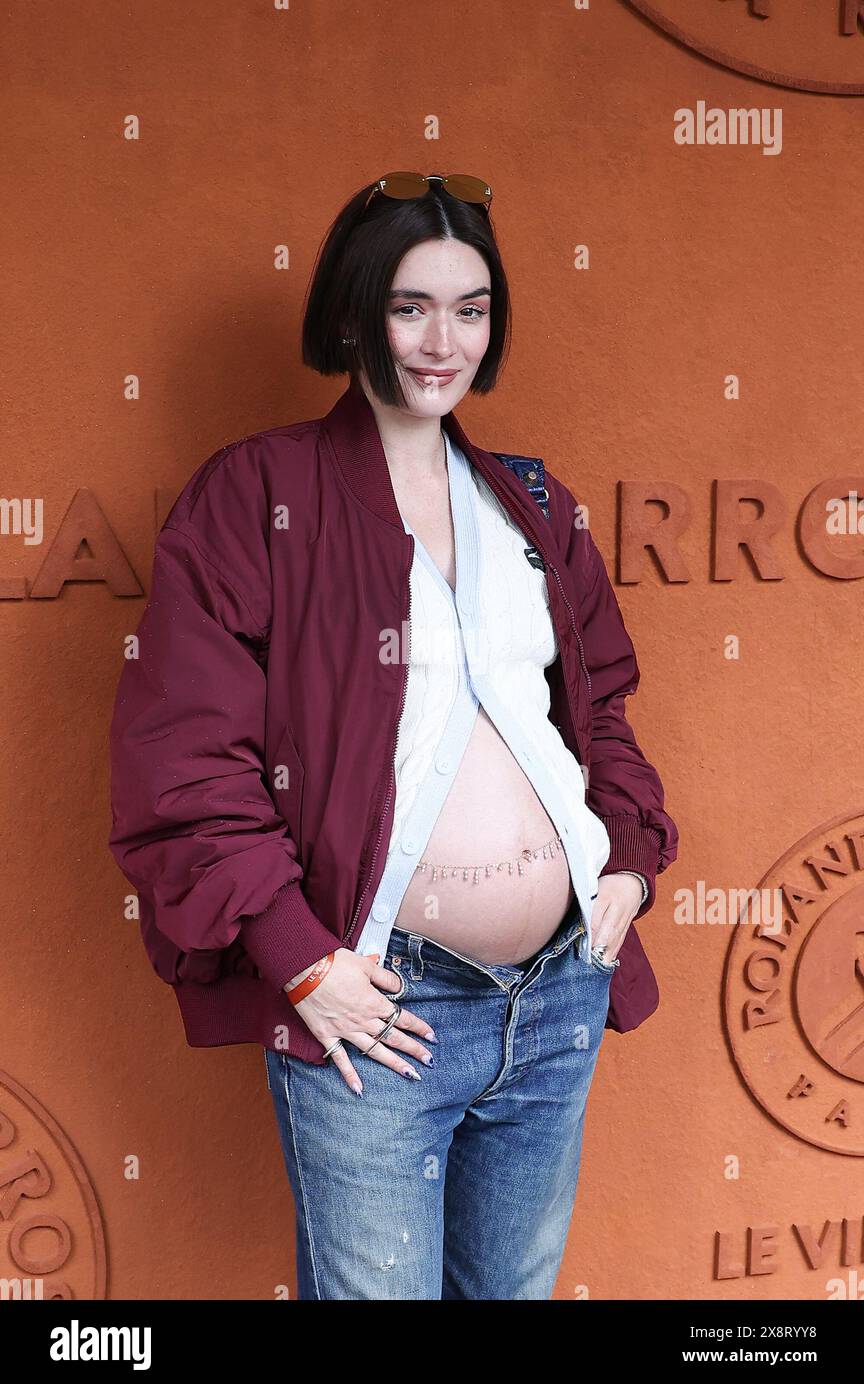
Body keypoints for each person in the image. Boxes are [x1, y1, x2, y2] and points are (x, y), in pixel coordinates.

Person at [108, 171, 678, 1300]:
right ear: (354, 309)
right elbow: (182, 754)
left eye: (471, 309)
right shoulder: (255, 493)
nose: (442, 339)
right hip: (378, 1000)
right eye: (411, 305)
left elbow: (599, 704)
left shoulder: (531, 502)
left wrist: (630, 857)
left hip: (563, 988)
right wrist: (300, 958)